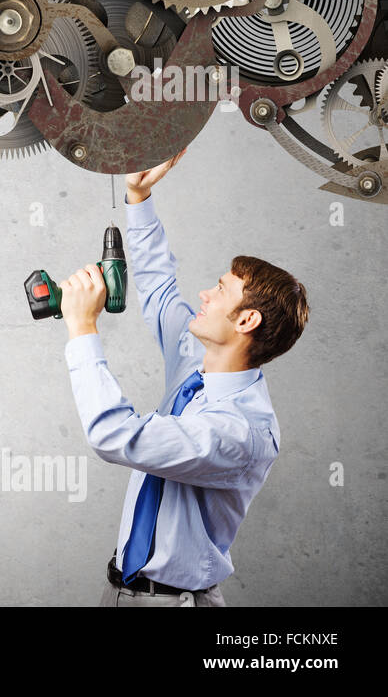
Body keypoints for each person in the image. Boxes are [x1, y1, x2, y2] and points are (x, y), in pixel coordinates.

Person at [58, 149, 310, 607]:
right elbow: (157, 286)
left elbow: (114, 436)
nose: (205, 294)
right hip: (117, 592)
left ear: (246, 320)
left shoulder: (241, 433)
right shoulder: (197, 362)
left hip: (172, 602)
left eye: (220, 289)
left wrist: (82, 330)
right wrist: (139, 196)